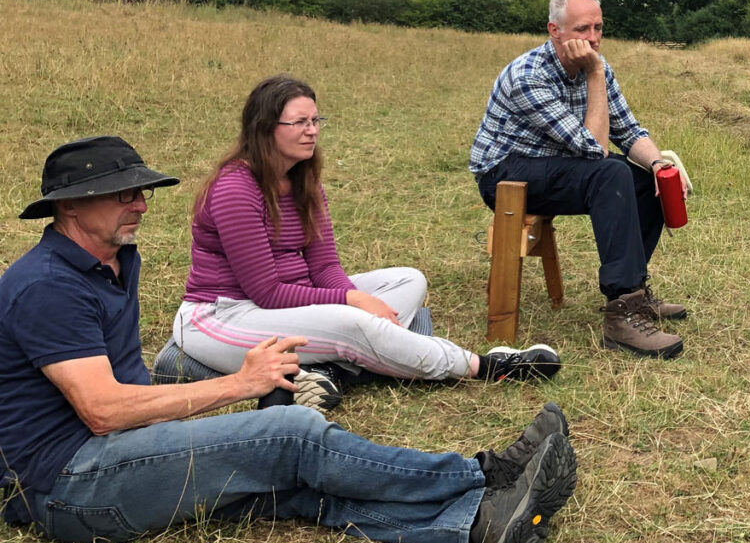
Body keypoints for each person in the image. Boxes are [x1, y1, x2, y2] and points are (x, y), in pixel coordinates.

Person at [0, 135, 576, 543]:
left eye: (141, 192)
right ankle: (486, 475)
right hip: (71, 484)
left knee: (293, 488)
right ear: (70, 206)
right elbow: (102, 410)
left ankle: (478, 525)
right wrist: (238, 385)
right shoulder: (48, 286)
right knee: (292, 434)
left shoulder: (116, 260)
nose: (142, 205)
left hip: (111, 458)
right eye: (124, 194)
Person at [170, 75, 559, 411]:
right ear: (264, 128)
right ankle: (483, 366)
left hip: (288, 301)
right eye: (300, 122)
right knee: (354, 323)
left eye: (315, 120)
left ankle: (330, 371)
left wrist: (352, 298)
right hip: (223, 316)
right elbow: (267, 292)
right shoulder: (236, 189)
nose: (312, 130)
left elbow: (324, 267)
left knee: (409, 280)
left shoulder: (303, 180)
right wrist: (353, 301)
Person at [470, 0, 689, 359]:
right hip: (506, 173)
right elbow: (596, 151)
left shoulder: (597, 69)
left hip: (558, 162)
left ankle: (634, 294)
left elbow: (628, 130)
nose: (593, 39)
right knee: (610, 173)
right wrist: (595, 74)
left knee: (642, 177)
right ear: (554, 31)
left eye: (598, 28)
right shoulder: (528, 75)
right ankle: (621, 315)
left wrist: (659, 165)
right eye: (582, 29)